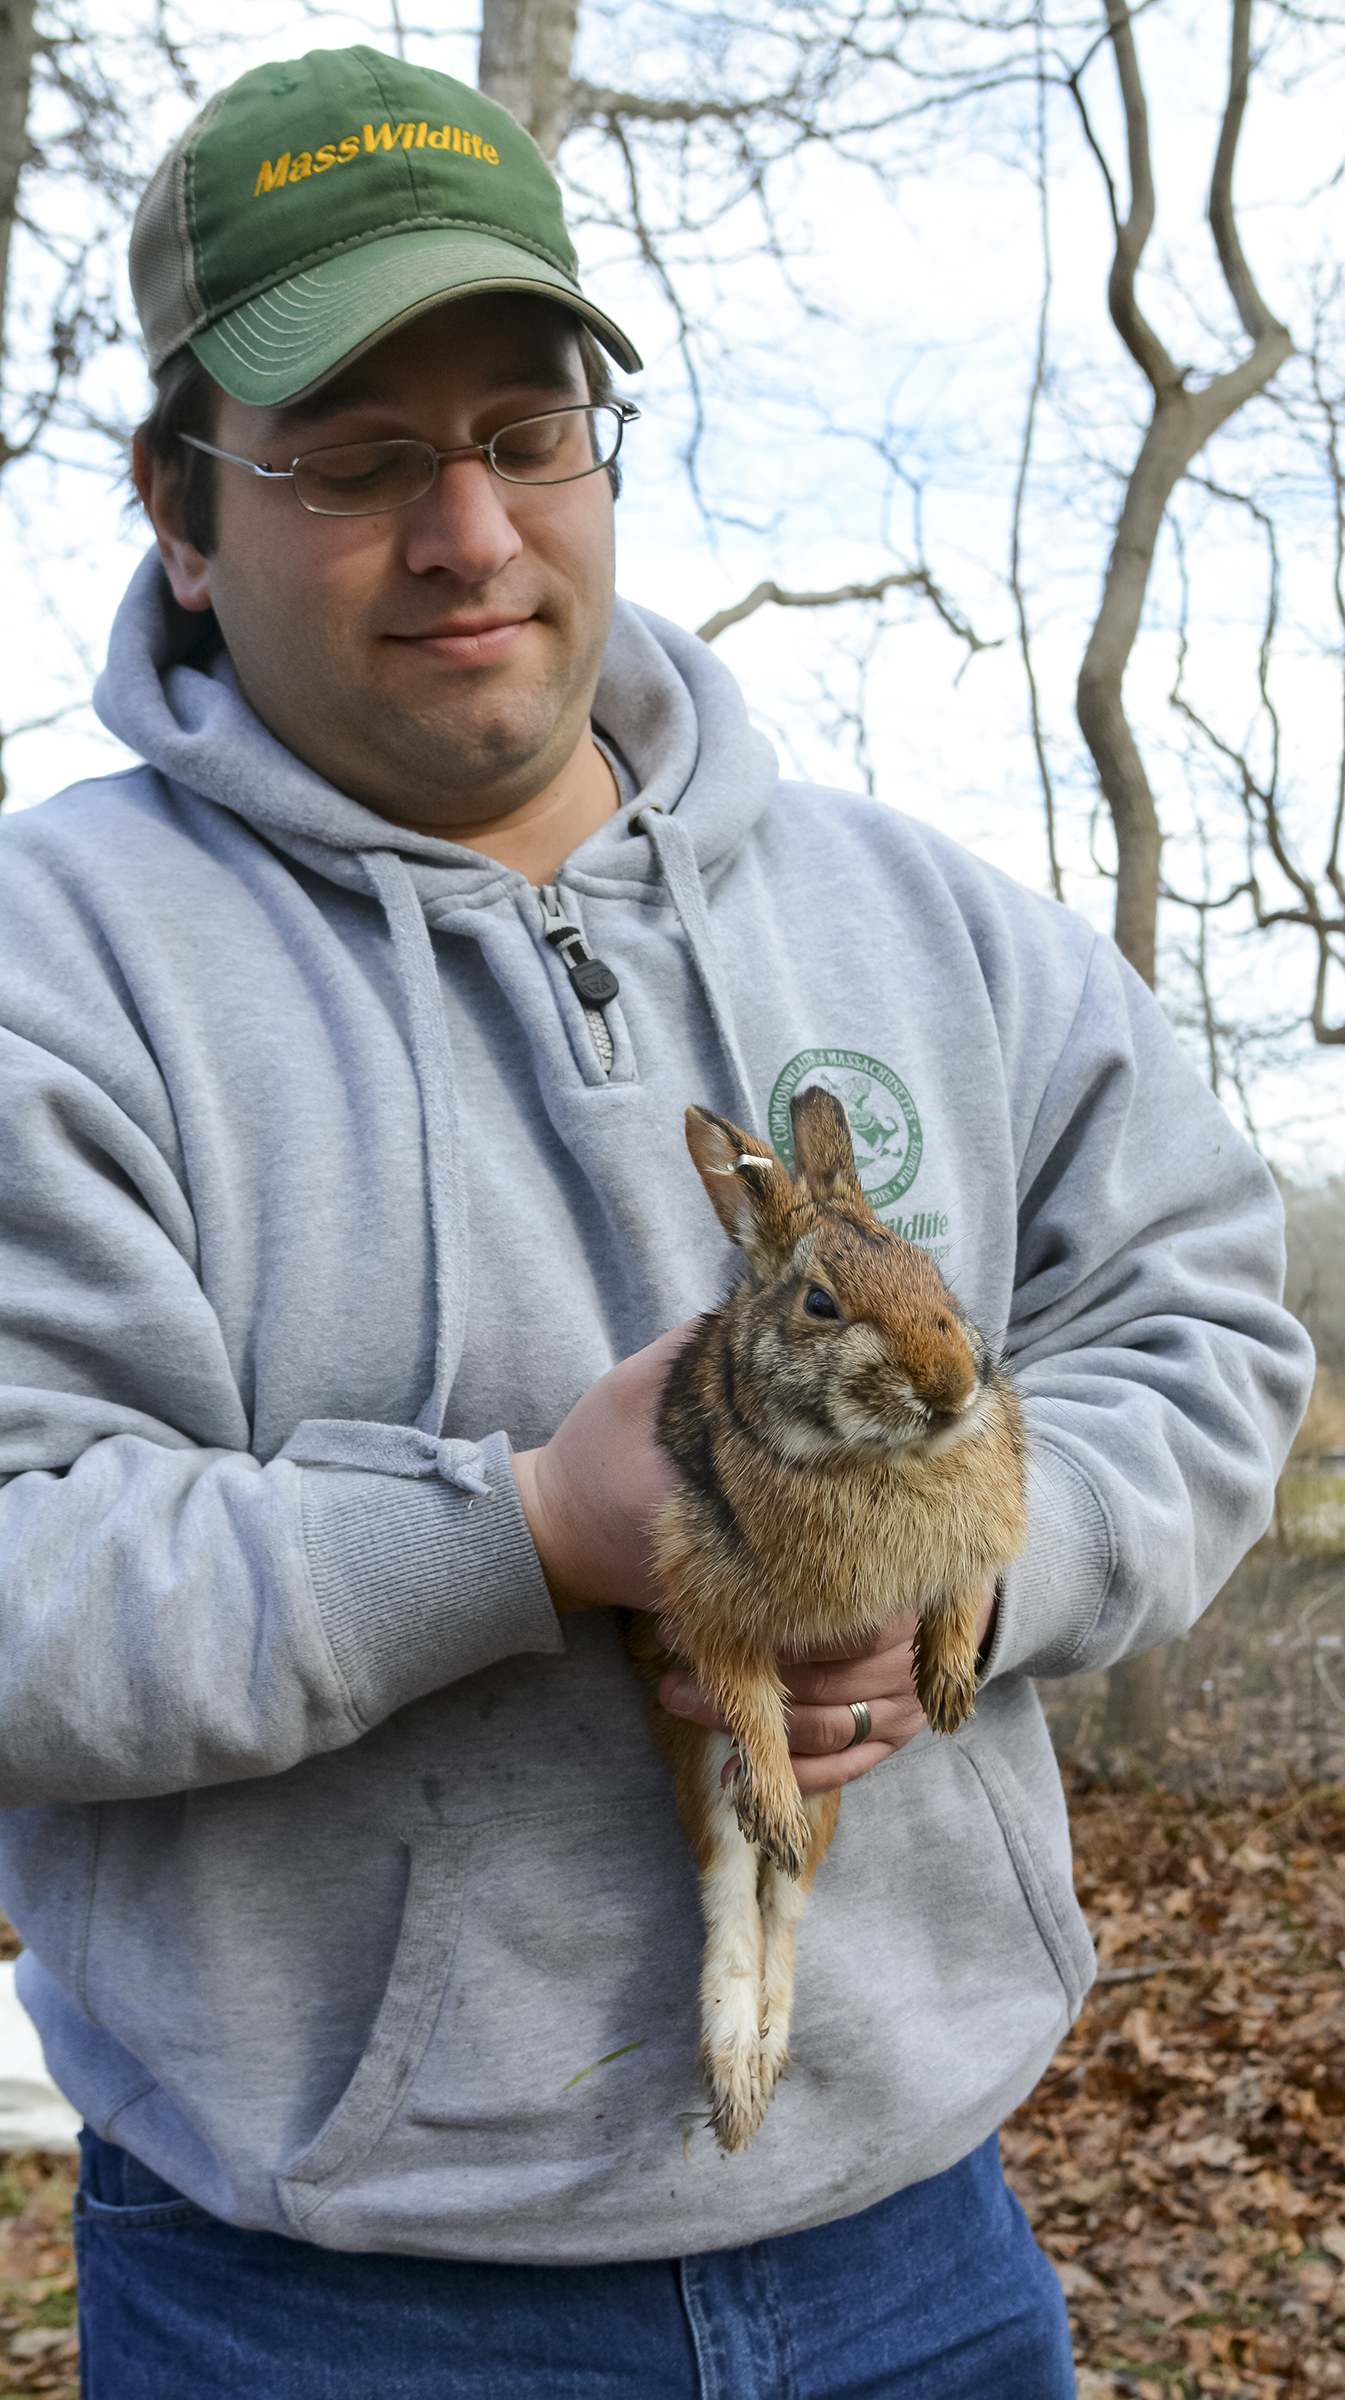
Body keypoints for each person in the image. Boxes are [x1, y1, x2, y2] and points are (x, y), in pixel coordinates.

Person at [0, 42, 1312, 2400]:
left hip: (919, 2253)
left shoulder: (928, 922)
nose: (470, 534)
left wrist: (970, 1560)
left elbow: (1204, 1316)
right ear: (179, 510)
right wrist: (517, 1531)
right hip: (333, 2309)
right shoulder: (53, 977)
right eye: (359, 461)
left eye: (521, 435)